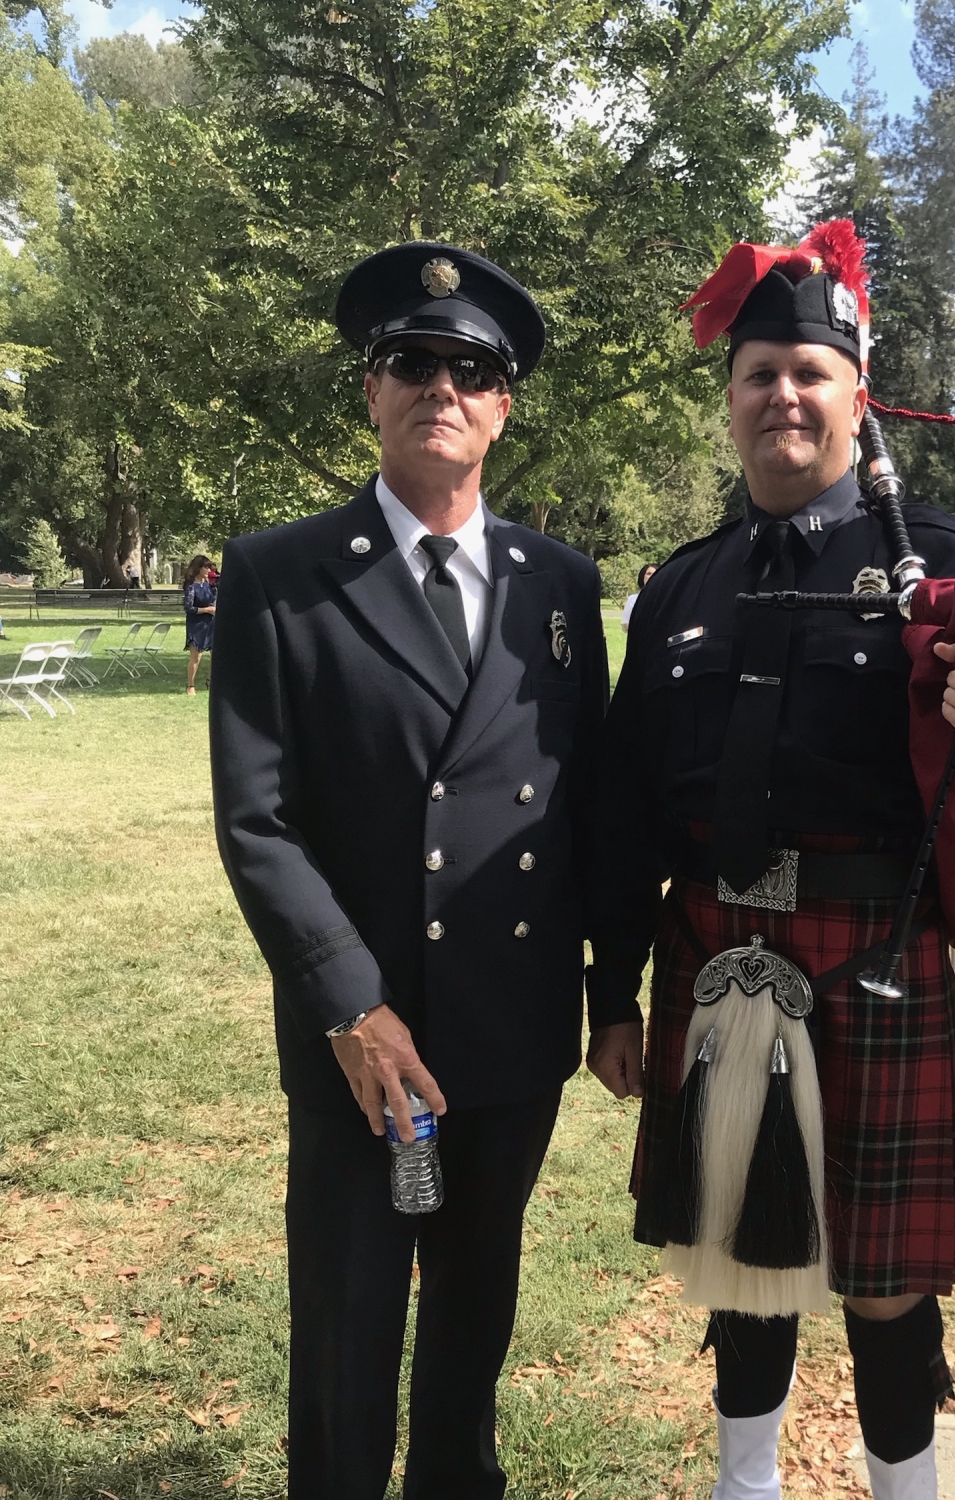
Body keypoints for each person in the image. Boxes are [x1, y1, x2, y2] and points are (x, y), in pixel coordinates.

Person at [586, 220, 955, 1500]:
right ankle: (742, 1486)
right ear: (732, 402)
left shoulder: (947, 572)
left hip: (873, 956)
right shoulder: (679, 589)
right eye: (760, 374)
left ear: (858, 396)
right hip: (708, 956)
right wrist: (609, 994)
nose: (783, 396)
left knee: (885, 1285)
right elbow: (628, 805)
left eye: (811, 372)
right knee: (740, 1271)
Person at [209, 242, 607, 1500]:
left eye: (472, 367)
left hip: (507, 1037)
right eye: (412, 361)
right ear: (372, 391)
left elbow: (589, 800)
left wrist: (622, 993)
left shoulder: (561, 583)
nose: (442, 383)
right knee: (347, 1339)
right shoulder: (279, 576)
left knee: (471, 1335)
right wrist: (351, 1003)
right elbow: (256, 818)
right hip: (357, 1049)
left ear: (503, 403)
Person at [183, 553, 216, 695]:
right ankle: (190, 685)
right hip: (196, 624)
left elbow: (214, 600)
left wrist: (214, 607)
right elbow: (188, 607)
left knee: (216, 655)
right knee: (196, 656)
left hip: (211, 623)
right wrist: (207, 609)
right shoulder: (191, 587)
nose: (209, 571)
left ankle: (211, 682)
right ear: (198, 568)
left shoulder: (210, 585)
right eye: (206, 568)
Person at [620, 560, 657, 630]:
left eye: (655, 573)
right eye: (649, 573)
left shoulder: (665, 598)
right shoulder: (633, 599)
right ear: (642, 576)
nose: (652, 576)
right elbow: (625, 624)